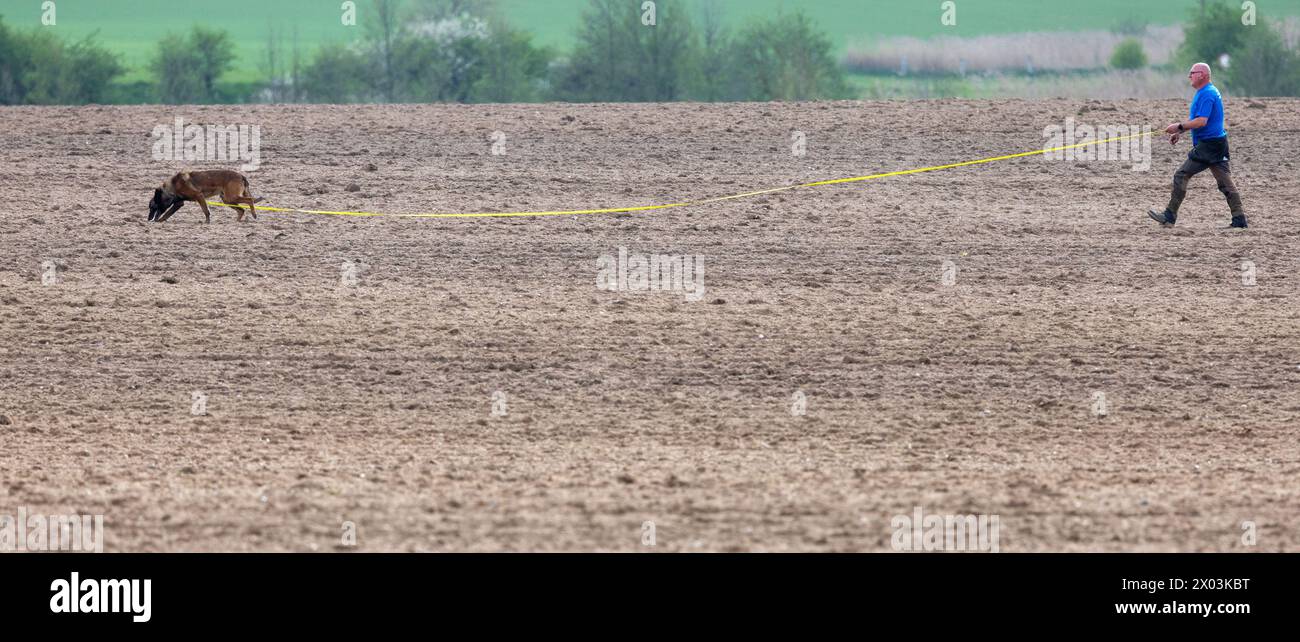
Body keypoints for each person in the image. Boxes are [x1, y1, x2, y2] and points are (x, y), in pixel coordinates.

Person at [1148, 62, 1247, 228]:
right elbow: (1199, 121)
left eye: (1192, 73)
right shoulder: (1205, 92)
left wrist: (1179, 126)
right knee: (1225, 182)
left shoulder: (1207, 94)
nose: (1189, 76)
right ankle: (1239, 219)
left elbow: (1202, 121)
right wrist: (1180, 132)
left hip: (1209, 145)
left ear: (1202, 75)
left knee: (1182, 174)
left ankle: (1169, 216)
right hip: (1216, 143)